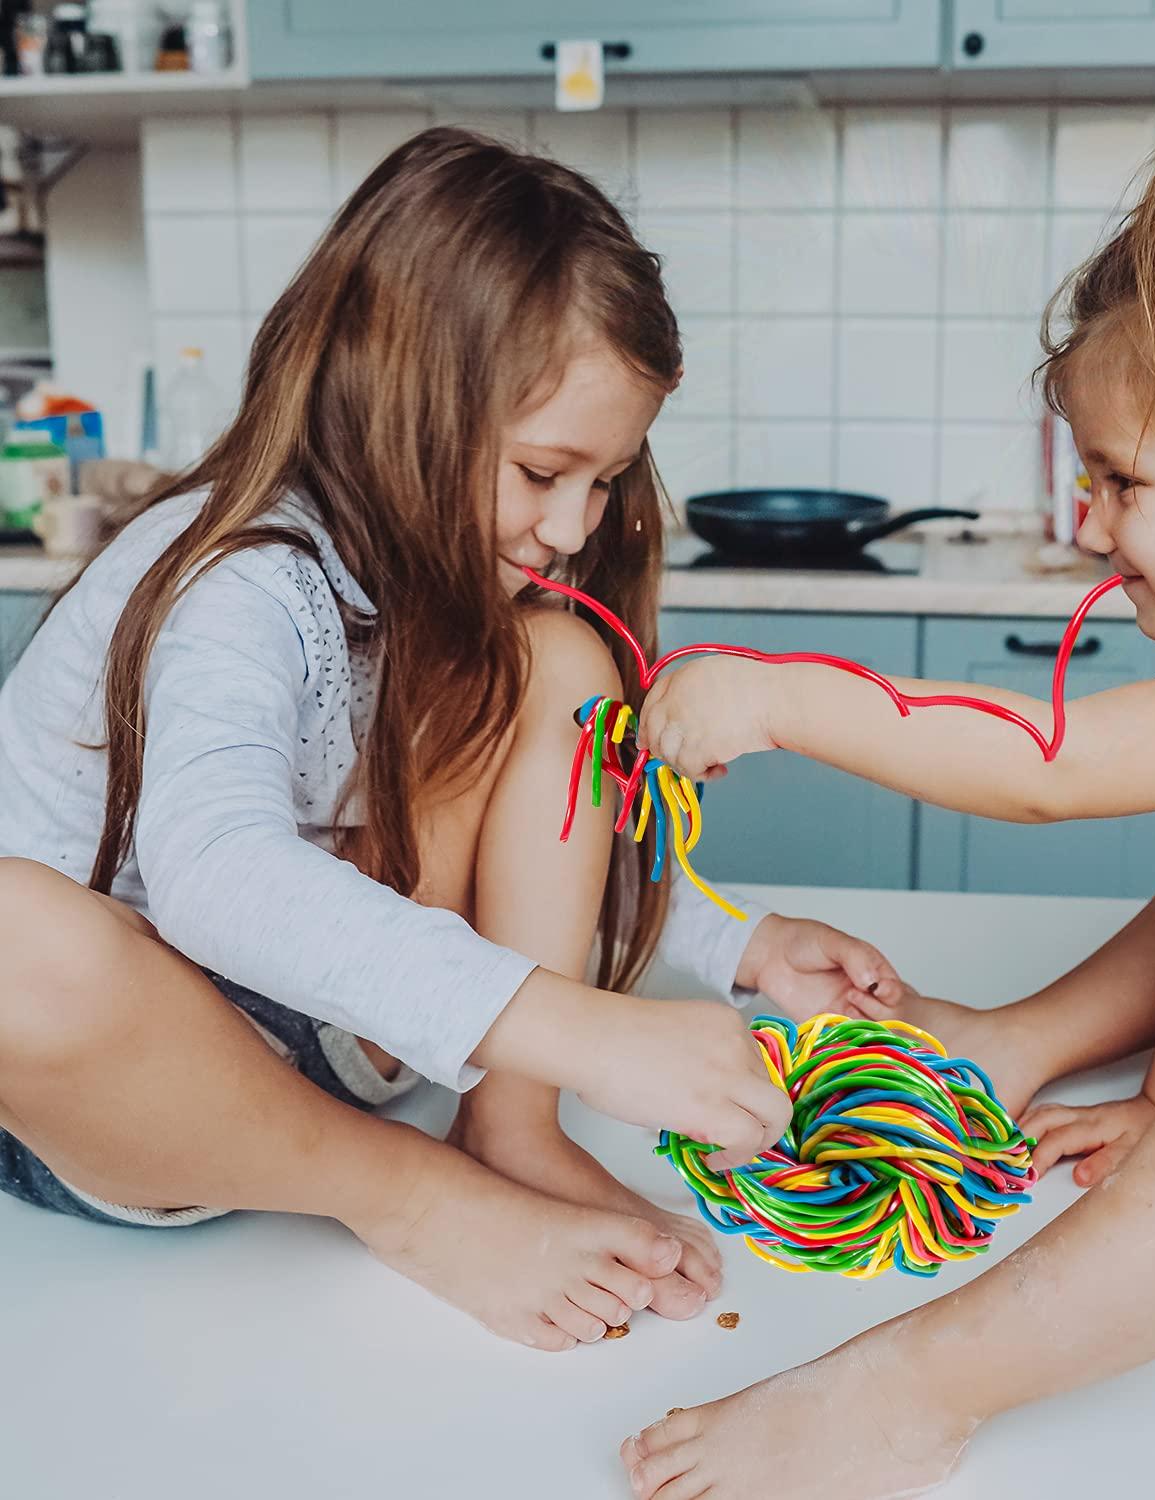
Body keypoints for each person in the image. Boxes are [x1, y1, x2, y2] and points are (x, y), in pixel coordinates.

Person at [623, 89, 1155, 1498]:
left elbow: (1051, 775)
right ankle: (1020, 1043)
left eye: (1120, 482)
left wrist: (787, 695)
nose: (1086, 525)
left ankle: (911, 1392)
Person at [0, 127, 902, 1354]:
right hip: (131, 1110)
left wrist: (740, 946)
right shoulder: (236, 578)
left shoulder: (441, 569)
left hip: (340, 1046)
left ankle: (509, 1134)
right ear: (397, 398)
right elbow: (216, 876)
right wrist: (586, 1030)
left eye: (605, 482)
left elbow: (516, 815)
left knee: (564, 662)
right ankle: (414, 1198)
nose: (575, 530)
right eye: (543, 472)